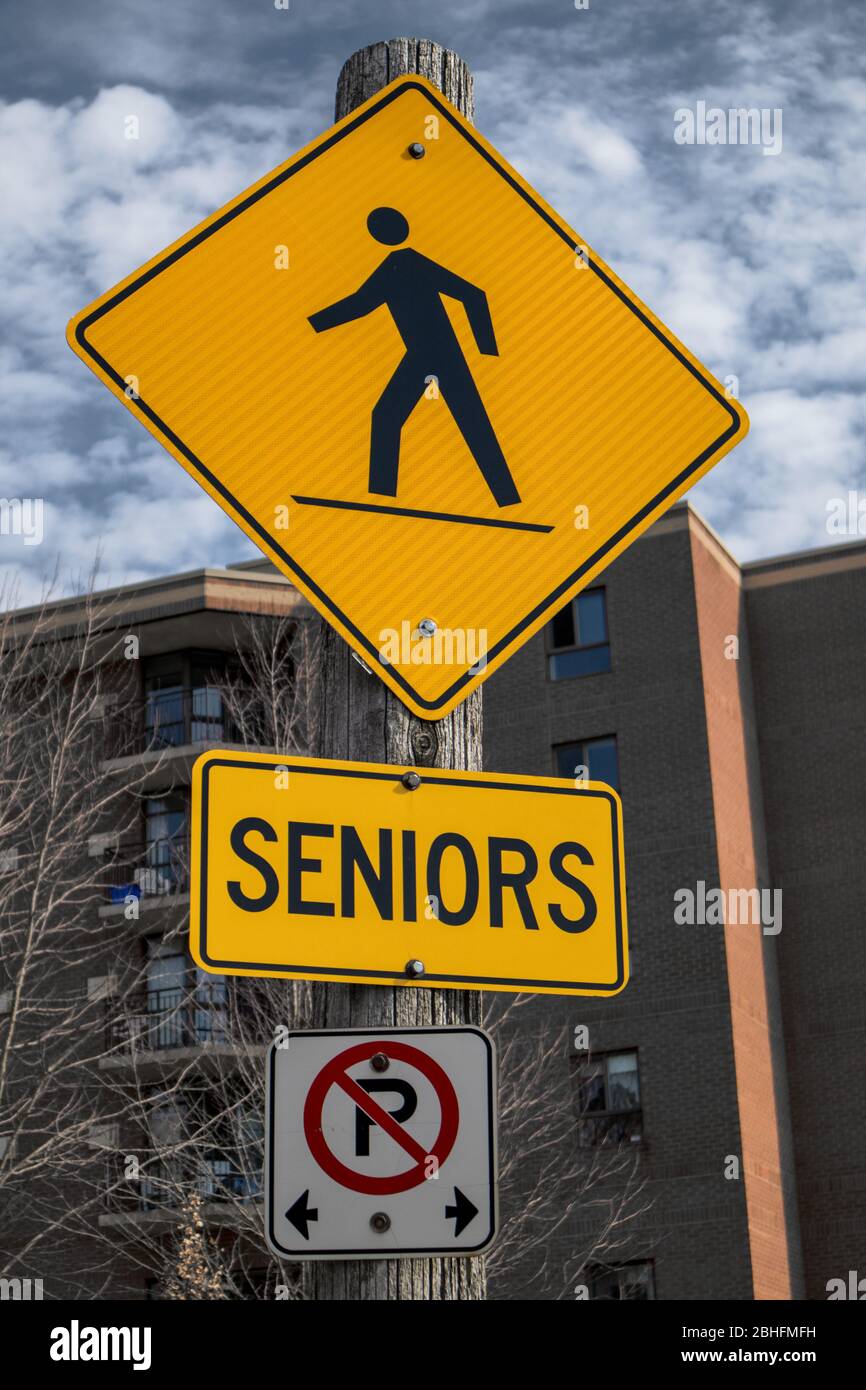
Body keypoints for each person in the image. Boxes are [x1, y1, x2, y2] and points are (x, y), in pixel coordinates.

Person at [308, 206, 521, 507]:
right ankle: (383, 498)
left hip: (441, 352)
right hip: (424, 354)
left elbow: (473, 295)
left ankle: (509, 501)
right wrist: (312, 324)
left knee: (470, 423)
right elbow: (362, 304)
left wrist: (487, 350)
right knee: (392, 416)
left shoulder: (407, 262)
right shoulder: (395, 265)